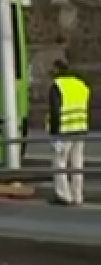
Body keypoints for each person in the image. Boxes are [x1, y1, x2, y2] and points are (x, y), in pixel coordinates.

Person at [49, 59, 90, 206]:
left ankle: (63, 195)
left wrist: (54, 134)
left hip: (64, 130)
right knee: (77, 163)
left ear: (58, 70)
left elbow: (55, 111)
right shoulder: (81, 85)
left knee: (59, 163)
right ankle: (77, 195)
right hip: (80, 128)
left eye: (53, 69)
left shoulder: (57, 85)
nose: (51, 72)